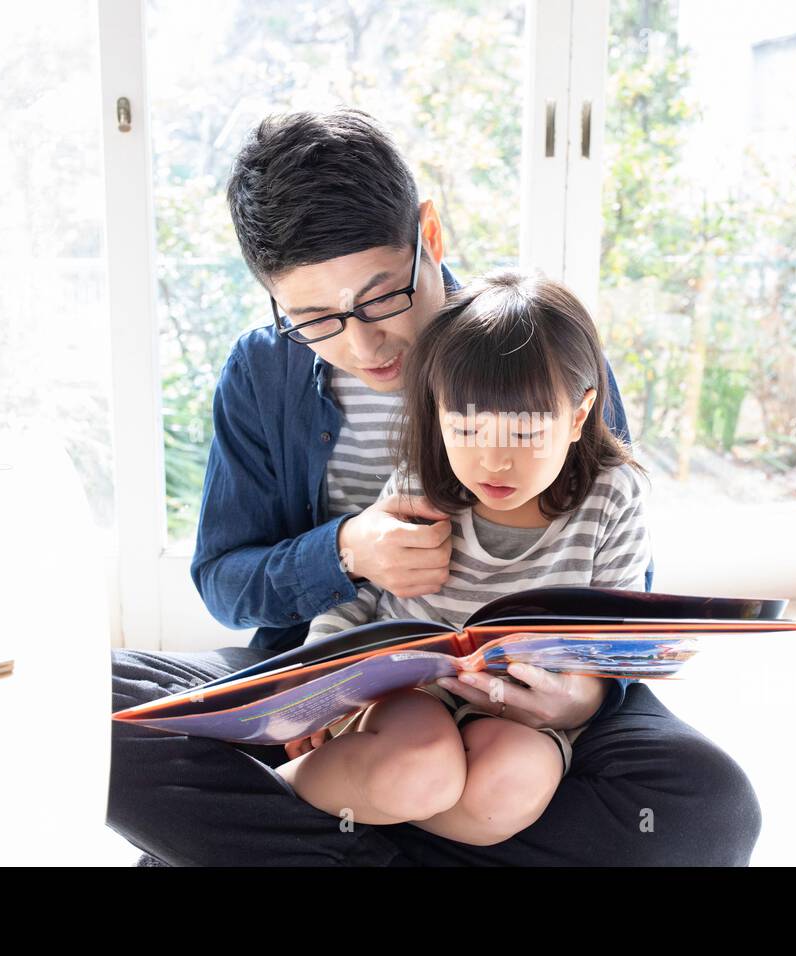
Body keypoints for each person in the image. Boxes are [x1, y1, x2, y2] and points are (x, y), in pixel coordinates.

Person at [107, 107, 763, 866]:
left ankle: (300, 838)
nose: (362, 343)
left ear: (431, 237)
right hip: (329, 685)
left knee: (707, 810)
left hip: (530, 701)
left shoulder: (538, 349)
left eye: (381, 297)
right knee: (85, 701)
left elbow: (615, 588)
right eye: (314, 317)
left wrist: (582, 697)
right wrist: (346, 552)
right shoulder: (263, 371)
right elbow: (225, 584)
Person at [279, 270, 653, 847]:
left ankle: (373, 828)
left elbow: (615, 643)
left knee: (505, 789)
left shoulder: (613, 496)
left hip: (523, 710)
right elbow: (358, 600)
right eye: (466, 427)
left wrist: (581, 693)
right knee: (419, 768)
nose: (493, 462)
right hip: (411, 694)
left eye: (525, 434)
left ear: (579, 416)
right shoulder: (421, 487)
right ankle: (271, 791)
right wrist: (313, 692)